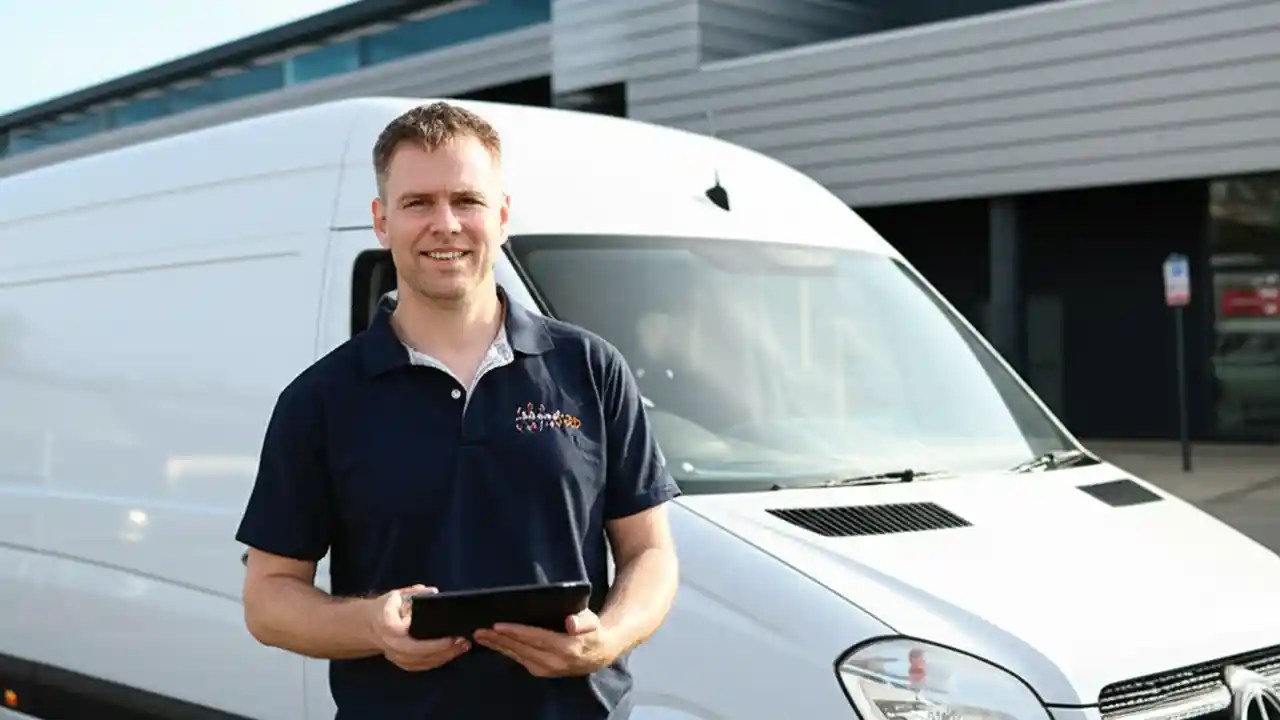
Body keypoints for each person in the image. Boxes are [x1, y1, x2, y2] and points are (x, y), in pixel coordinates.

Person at [235, 101, 682, 719]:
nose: (445, 224)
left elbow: (651, 554)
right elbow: (268, 598)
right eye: (418, 202)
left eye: (466, 200)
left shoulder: (590, 369)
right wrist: (371, 626)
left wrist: (605, 639)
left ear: (501, 215)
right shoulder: (320, 400)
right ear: (381, 221)